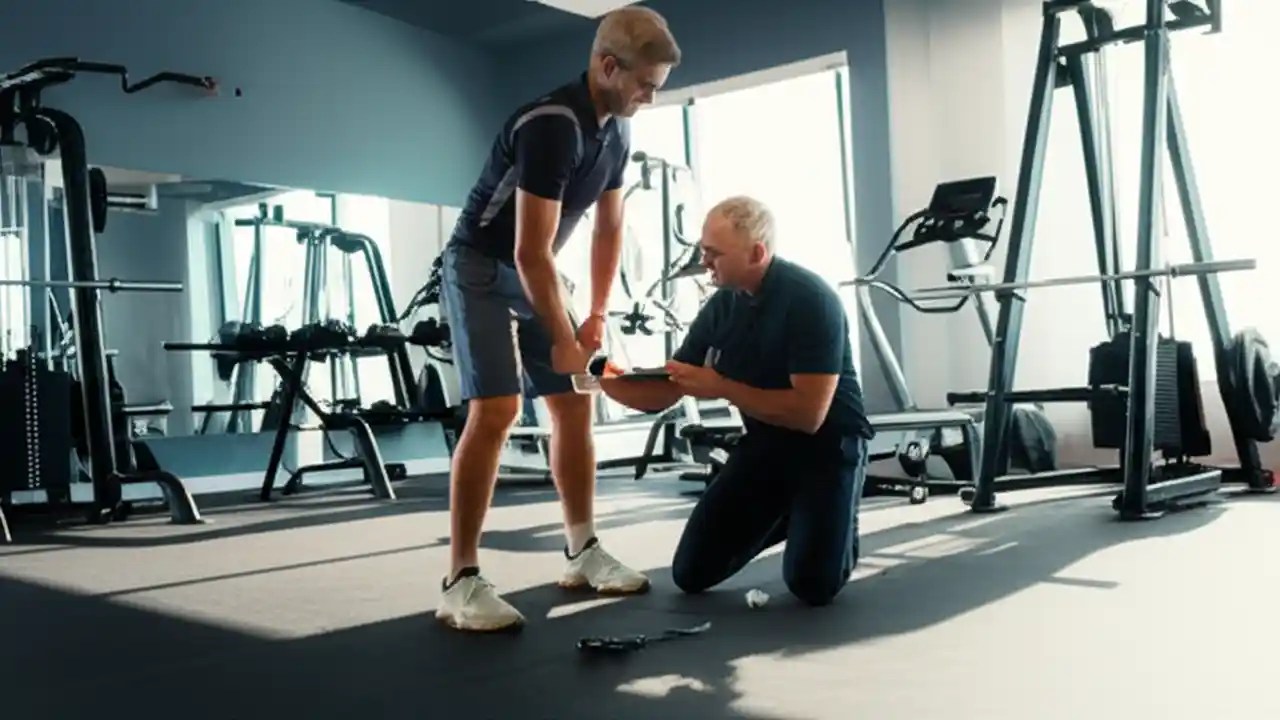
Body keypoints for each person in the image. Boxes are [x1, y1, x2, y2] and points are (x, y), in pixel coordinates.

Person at [435, 7, 681, 632]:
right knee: (496, 410)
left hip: (540, 269)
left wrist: (595, 316)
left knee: (574, 403)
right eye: (645, 85)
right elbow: (526, 250)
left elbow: (609, 225)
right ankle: (460, 579)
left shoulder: (617, 128)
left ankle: (581, 550)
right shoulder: (551, 126)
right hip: (481, 264)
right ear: (607, 66)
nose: (649, 98)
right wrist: (567, 337)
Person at [601, 196, 876, 606]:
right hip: (766, 447)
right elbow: (671, 385)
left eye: (713, 254)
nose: (704, 261)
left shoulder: (810, 300)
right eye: (703, 251)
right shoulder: (723, 305)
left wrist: (722, 386)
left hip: (829, 447)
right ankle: (793, 514)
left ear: (757, 253)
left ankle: (821, 513)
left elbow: (808, 415)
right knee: (691, 573)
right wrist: (601, 375)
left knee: (812, 585)